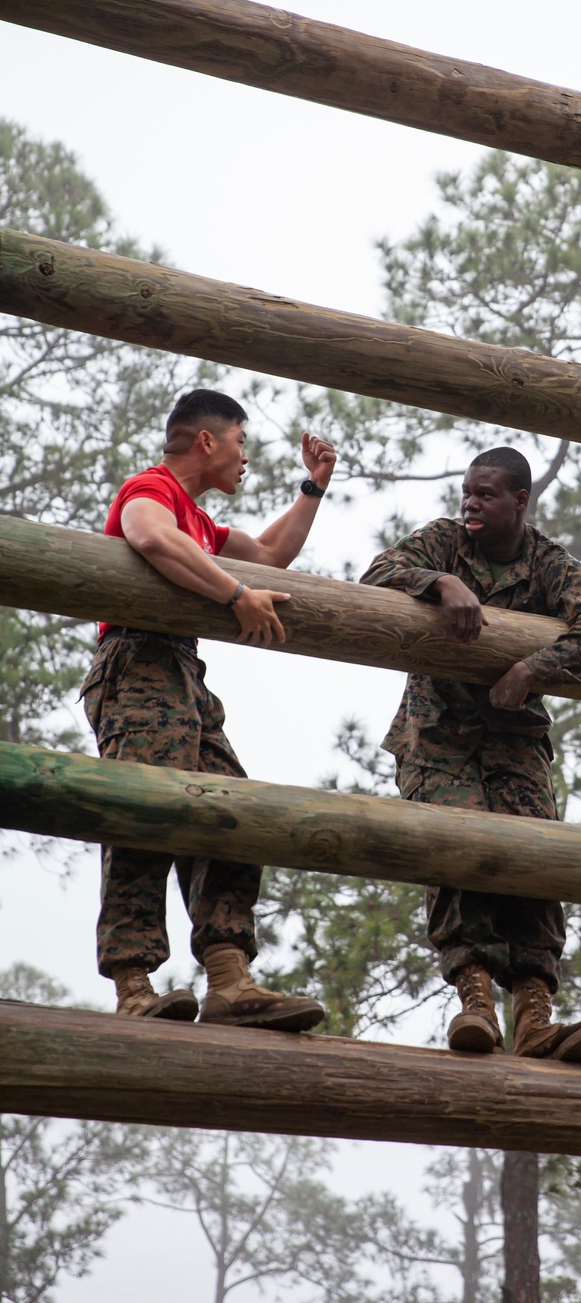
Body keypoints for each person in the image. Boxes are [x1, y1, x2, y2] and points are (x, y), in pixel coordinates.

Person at [360, 447, 581, 1063]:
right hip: (437, 738)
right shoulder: (445, 542)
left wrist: (533, 668)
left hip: (514, 742)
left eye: (485, 494)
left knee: (536, 860)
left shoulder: (548, 564)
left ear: (519, 501)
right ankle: (476, 1004)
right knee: (458, 852)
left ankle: (535, 1018)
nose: (471, 504)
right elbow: (377, 573)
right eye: (467, 492)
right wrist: (441, 582)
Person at [80, 388, 335, 1031]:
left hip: (185, 678)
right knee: (146, 810)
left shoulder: (200, 522)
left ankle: (228, 977)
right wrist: (235, 595)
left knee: (232, 810)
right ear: (207, 440)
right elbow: (147, 534)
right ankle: (134, 983)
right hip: (136, 665)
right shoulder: (153, 488)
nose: (245, 457)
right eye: (241, 442)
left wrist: (312, 488)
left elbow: (270, 556)